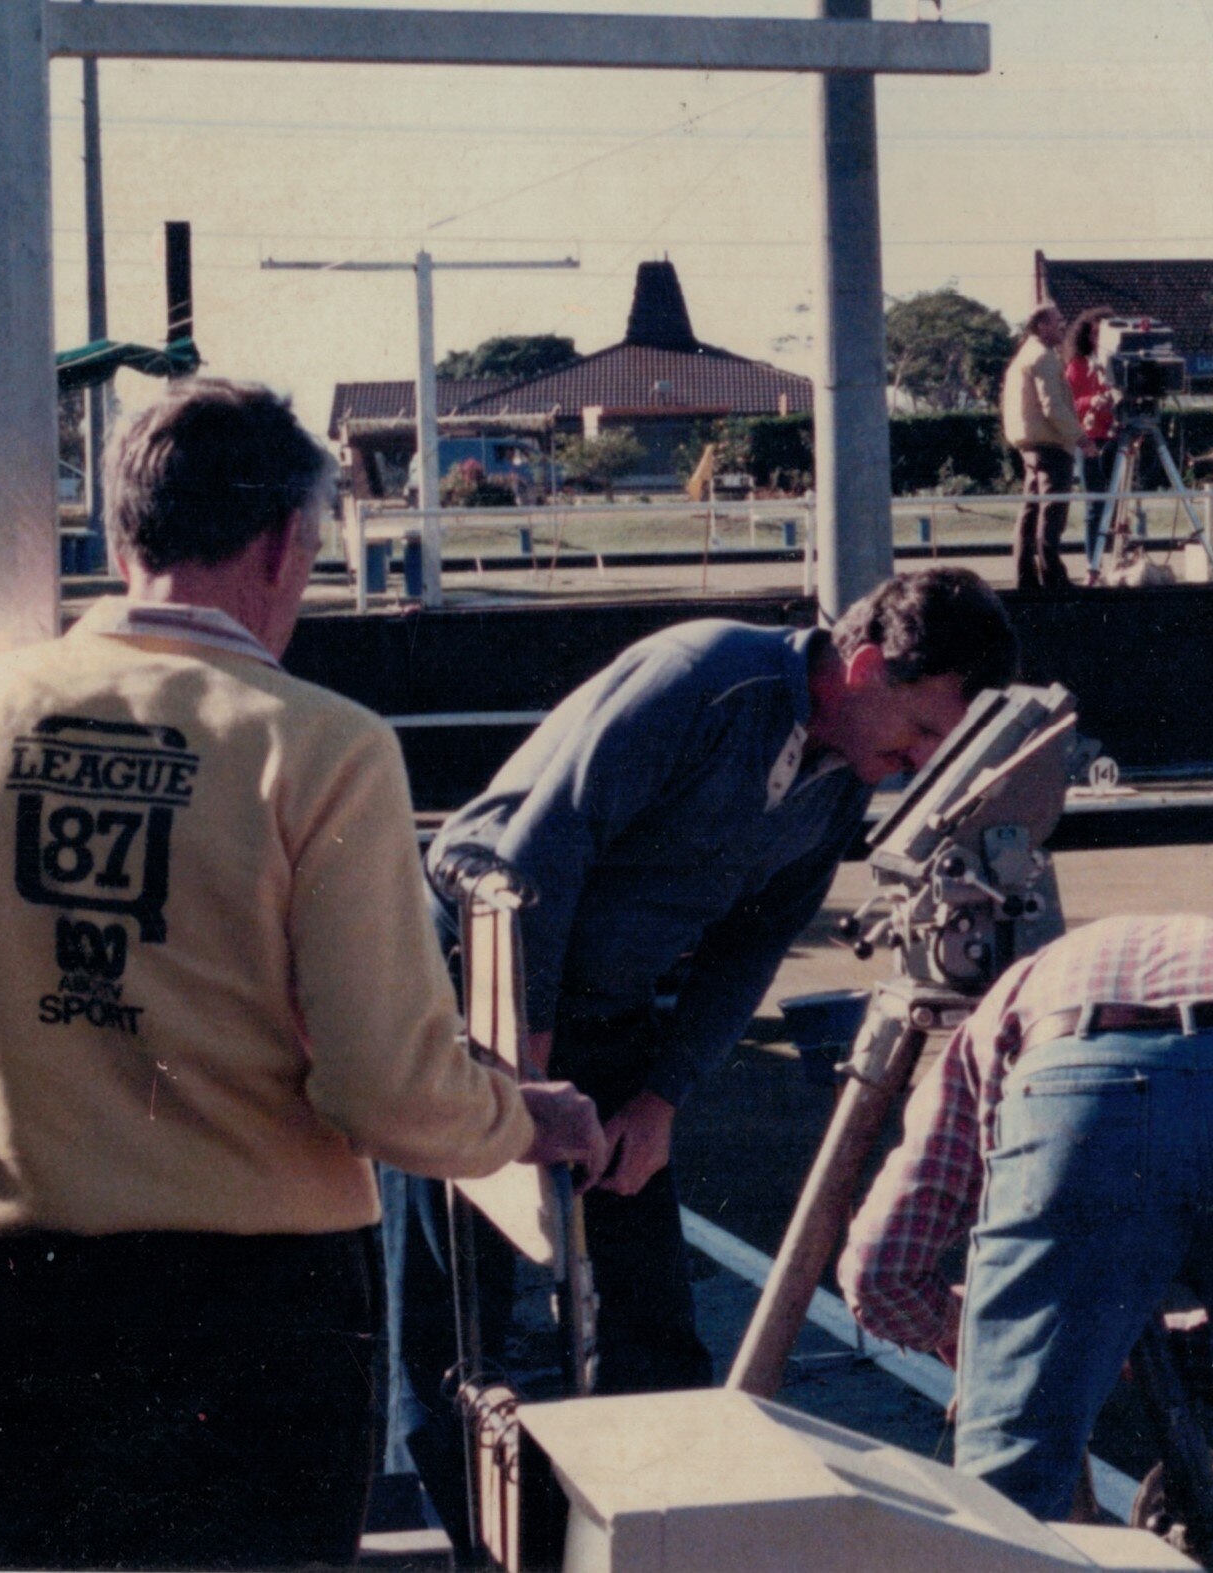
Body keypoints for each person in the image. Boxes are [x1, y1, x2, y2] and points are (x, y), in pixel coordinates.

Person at [0, 378, 608, 1572]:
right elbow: (384, 1090)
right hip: (262, 1318)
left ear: (123, 535)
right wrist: (510, 1117)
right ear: (285, 541)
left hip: (27, 1298)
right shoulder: (324, 747)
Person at [388, 567, 1020, 1546]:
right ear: (858, 667)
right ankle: (484, 1552)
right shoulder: (702, 678)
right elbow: (532, 862)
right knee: (460, 1316)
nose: (915, 761)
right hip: (469, 978)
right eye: (922, 731)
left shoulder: (838, 778)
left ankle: (640, 1548)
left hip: (597, 1008)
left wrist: (660, 1098)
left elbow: (750, 946)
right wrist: (522, 1085)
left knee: (650, 1321)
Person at [839, 914, 1213, 1570]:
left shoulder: (997, 1016)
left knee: (1008, 1494)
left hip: (1079, 1076)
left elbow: (878, 1270)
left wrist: (970, 1326)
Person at [1001, 302, 1086, 591]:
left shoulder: (1025, 355)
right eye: (1058, 320)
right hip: (1049, 444)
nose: (1064, 325)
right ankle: (1054, 578)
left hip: (1029, 443)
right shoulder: (1043, 357)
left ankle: (1025, 577)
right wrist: (1080, 437)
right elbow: (1054, 407)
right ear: (1042, 326)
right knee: (1052, 511)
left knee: (1031, 511)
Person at [1063, 307, 1118, 586]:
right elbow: (1069, 403)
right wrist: (1091, 402)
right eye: (1094, 333)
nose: (1098, 339)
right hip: (1090, 440)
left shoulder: (1116, 362)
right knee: (1095, 504)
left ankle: (1118, 561)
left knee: (1118, 504)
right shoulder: (1077, 364)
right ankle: (1092, 566)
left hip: (1115, 437)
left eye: (1102, 333)